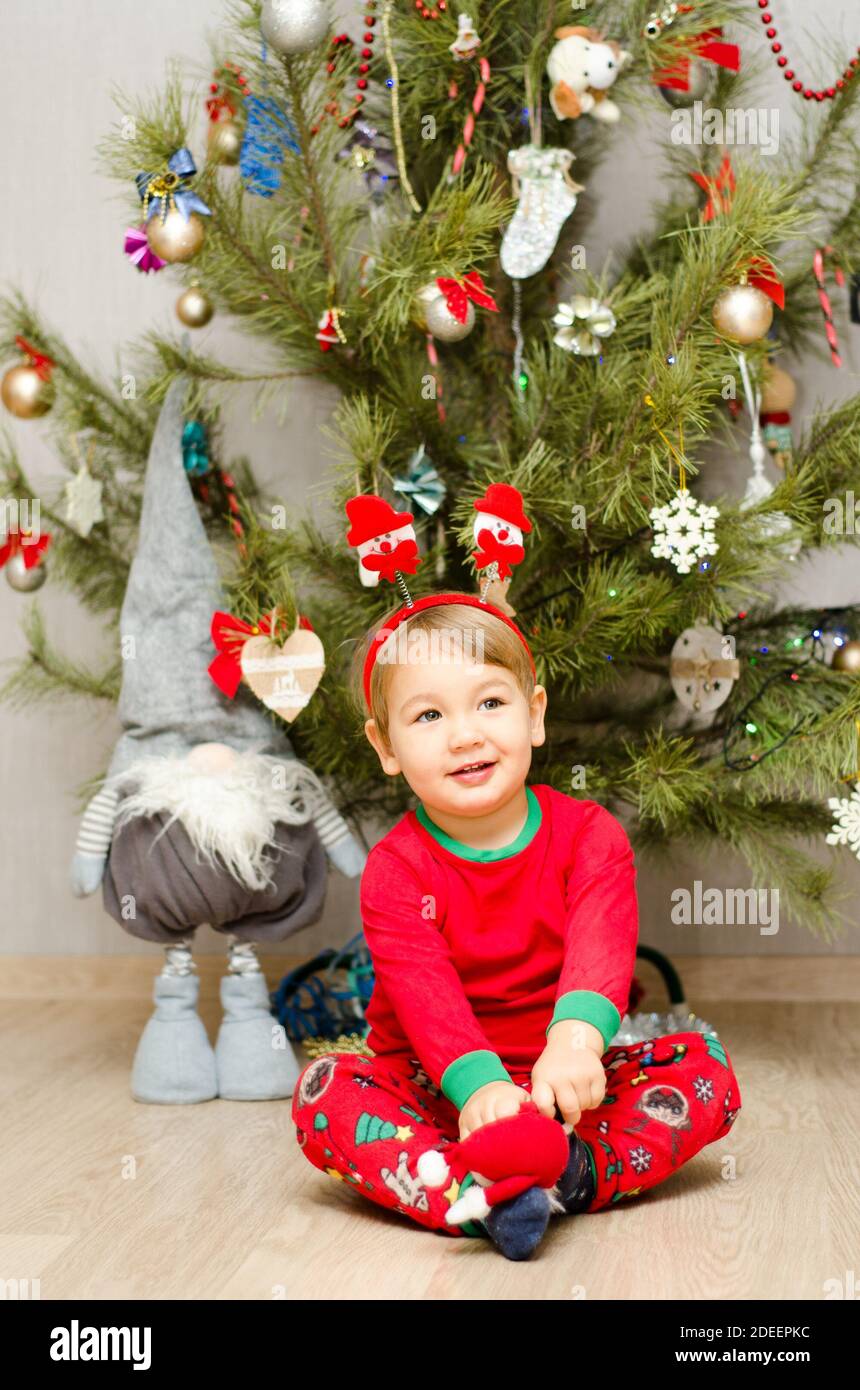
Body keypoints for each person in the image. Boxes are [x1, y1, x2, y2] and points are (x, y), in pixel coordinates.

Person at [292, 596, 742, 1260]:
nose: (466, 734)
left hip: (568, 1089)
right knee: (323, 1091)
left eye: (490, 704)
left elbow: (600, 948)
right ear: (385, 746)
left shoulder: (590, 837)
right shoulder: (396, 871)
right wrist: (480, 1090)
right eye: (428, 715)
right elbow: (425, 997)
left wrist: (575, 1045)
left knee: (705, 1068)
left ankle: (573, 1172)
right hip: (436, 1093)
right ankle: (473, 1197)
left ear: (534, 714)